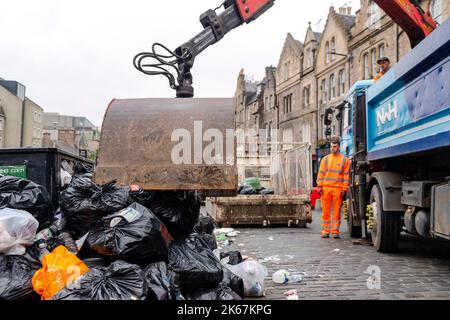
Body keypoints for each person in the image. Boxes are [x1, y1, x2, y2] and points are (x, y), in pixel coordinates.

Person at [317, 137, 351, 239]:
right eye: (331, 146)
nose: (333, 148)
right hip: (326, 188)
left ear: (339, 147)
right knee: (325, 211)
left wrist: (344, 189)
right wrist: (319, 186)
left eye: (335, 146)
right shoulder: (325, 159)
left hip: (337, 189)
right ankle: (325, 231)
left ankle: (335, 231)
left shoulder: (345, 160)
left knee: (336, 211)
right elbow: (321, 174)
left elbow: (346, 176)